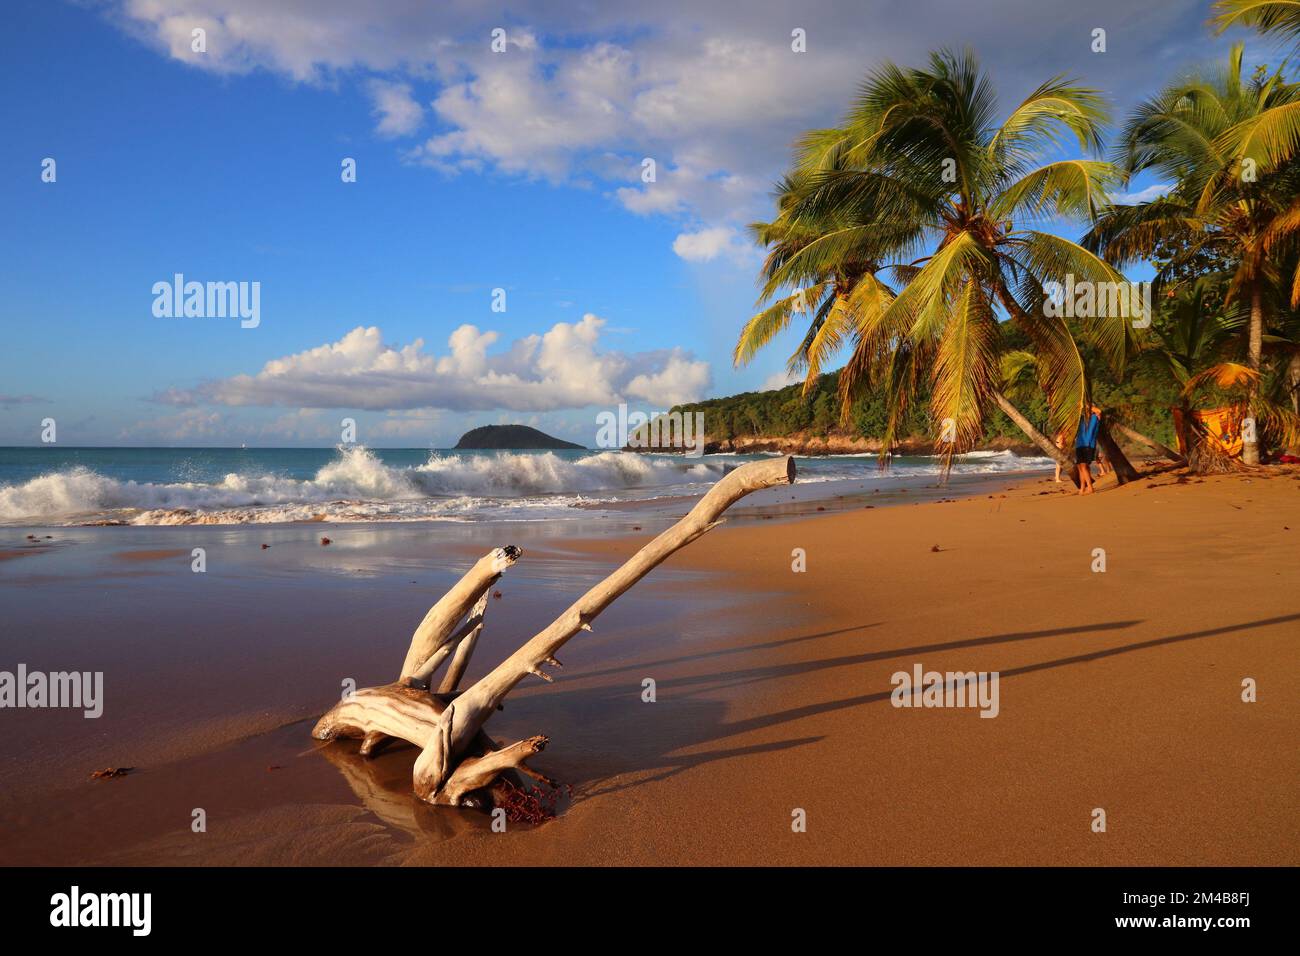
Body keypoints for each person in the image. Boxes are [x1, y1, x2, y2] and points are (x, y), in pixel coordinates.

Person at [1075, 403, 1103, 495]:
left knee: (1084, 466)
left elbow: (1099, 411)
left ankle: (1090, 487)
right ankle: (1082, 487)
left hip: (1089, 444)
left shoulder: (1095, 417)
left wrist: (1087, 405)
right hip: (1079, 444)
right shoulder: (1082, 418)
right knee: (1080, 467)